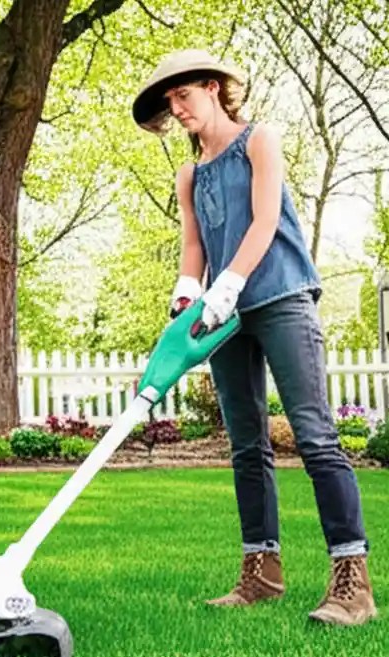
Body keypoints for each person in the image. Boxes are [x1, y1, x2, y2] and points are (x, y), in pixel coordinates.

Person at [131, 49, 375, 626]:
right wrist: (187, 293)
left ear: (213, 88)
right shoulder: (189, 174)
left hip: (281, 296)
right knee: (245, 444)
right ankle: (261, 572)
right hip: (226, 317)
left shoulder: (259, 141)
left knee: (315, 437)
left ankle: (352, 583)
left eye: (184, 95)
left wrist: (229, 283)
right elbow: (195, 244)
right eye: (170, 102)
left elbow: (265, 221)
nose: (177, 108)